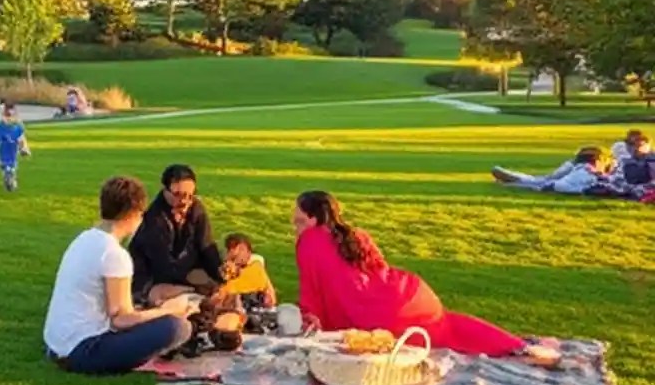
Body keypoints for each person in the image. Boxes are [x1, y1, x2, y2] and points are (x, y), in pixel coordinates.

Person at [293, 190, 558, 363]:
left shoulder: (309, 241)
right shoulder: (355, 235)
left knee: (441, 332)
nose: (295, 225)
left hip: (376, 315)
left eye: (299, 219)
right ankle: (519, 347)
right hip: (409, 295)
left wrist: (310, 318)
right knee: (448, 325)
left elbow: (311, 290)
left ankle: (520, 349)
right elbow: (376, 267)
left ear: (314, 218)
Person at [43, 176, 198, 374]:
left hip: (58, 342)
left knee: (148, 314)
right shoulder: (114, 254)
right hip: (83, 351)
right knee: (178, 327)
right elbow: (121, 319)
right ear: (135, 214)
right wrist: (169, 311)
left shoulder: (84, 239)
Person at [128, 164, 226, 306]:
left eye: (190, 195)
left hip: (186, 271)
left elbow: (206, 246)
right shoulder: (154, 220)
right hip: (155, 278)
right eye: (178, 195)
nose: (185, 201)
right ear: (165, 191)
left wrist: (220, 273)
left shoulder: (196, 209)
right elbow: (164, 266)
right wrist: (195, 286)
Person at [491, 147, 608, 194]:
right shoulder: (589, 171)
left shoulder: (586, 171)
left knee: (541, 182)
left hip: (564, 184)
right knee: (541, 182)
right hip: (569, 181)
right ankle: (512, 180)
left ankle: (512, 181)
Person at [223, 233, 277, 311]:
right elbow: (225, 291)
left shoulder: (256, 267)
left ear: (249, 252)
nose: (239, 253)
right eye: (234, 249)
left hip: (259, 307)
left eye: (241, 249)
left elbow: (271, 297)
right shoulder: (228, 270)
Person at [0, 104, 29, 192]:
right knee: (5, 166)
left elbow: (21, 139)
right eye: (6, 117)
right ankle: (8, 179)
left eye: (11, 117)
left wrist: (24, 148)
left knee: (12, 167)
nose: (8, 119)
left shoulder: (17, 128)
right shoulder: (0, 128)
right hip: (3, 151)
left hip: (13, 150)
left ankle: (11, 181)